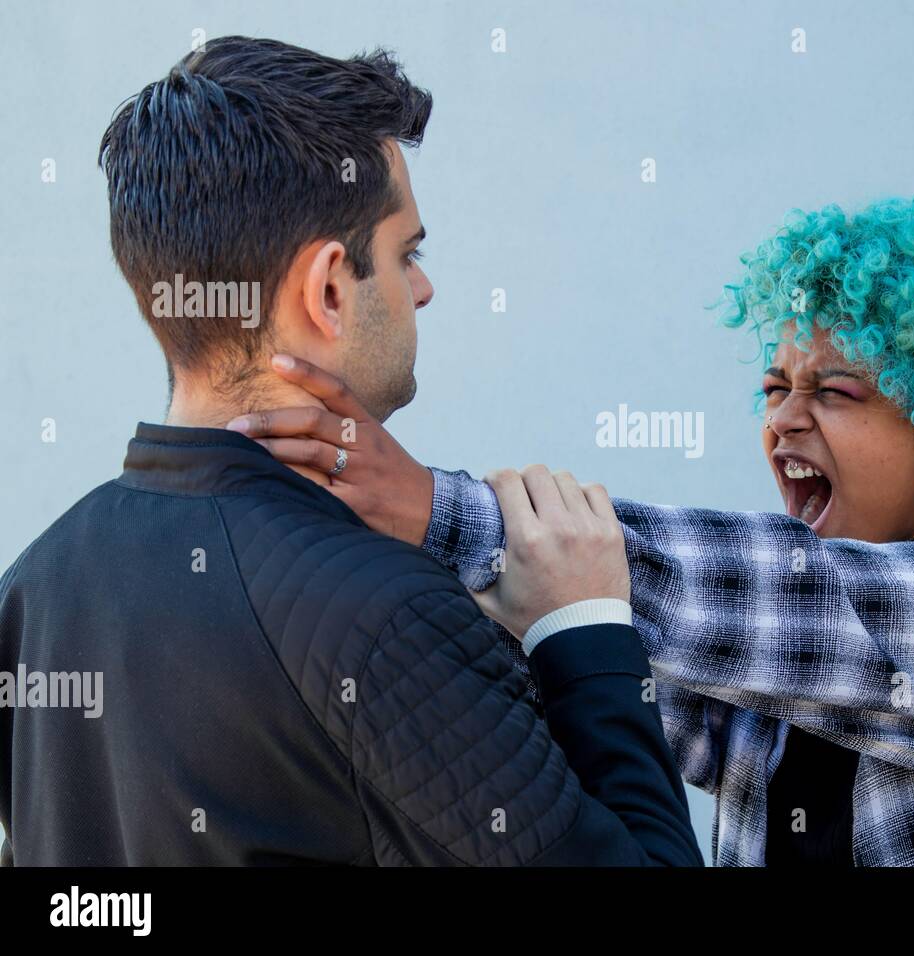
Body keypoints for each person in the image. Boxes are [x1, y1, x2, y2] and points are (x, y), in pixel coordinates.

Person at [236, 197, 914, 866]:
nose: (785, 420)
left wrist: (439, 507)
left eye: (834, 391)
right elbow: (585, 683)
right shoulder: (758, 658)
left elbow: (808, 604)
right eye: (773, 389)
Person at [0, 37, 703, 867]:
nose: (424, 288)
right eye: (409, 253)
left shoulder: (33, 588)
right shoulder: (388, 620)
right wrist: (583, 630)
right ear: (329, 289)